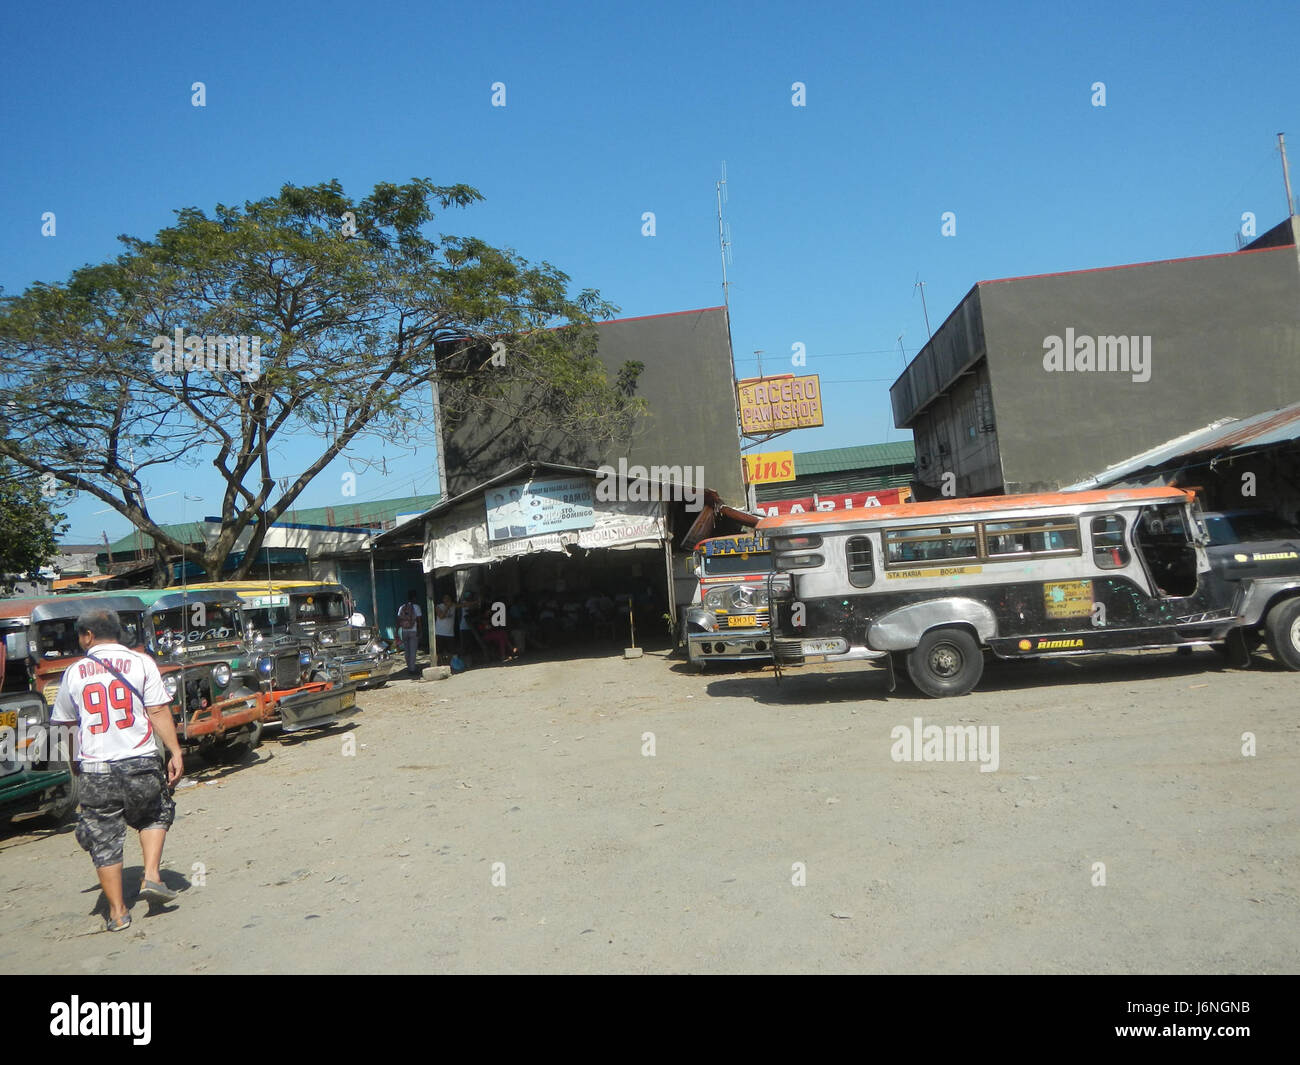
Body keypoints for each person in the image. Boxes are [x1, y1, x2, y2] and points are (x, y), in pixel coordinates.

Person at [48, 608, 184, 932]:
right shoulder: (141, 663)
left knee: (103, 836)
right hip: (140, 761)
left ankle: (119, 912)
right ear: (117, 633)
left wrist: (75, 763)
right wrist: (175, 751)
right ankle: (151, 875)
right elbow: (159, 710)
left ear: (88, 636)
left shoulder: (74, 673)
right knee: (155, 813)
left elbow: (66, 725)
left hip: (96, 768)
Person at [397, 590, 423, 676]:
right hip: (413, 631)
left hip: (404, 632)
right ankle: (412, 669)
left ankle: (409, 667)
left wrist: (397, 631)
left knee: (407, 651)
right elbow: (419, 621)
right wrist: (420, 630)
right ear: (414, 598)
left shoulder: (402, 607)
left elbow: (398, 620)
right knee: (413, 651)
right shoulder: (416, 607)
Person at [433, 594, 456, 665]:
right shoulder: (438, 606)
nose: (447, 600)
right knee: (439, 651)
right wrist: (447, 607)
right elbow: (441, 616)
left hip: (450, 633)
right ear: (443, 600)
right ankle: (442, 664)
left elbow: (464, 605)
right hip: (440, 632)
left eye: (448, 598)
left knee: (451, 651)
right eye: (445, 598)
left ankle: (448, 664)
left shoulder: (453, 605)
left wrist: (475, 602)